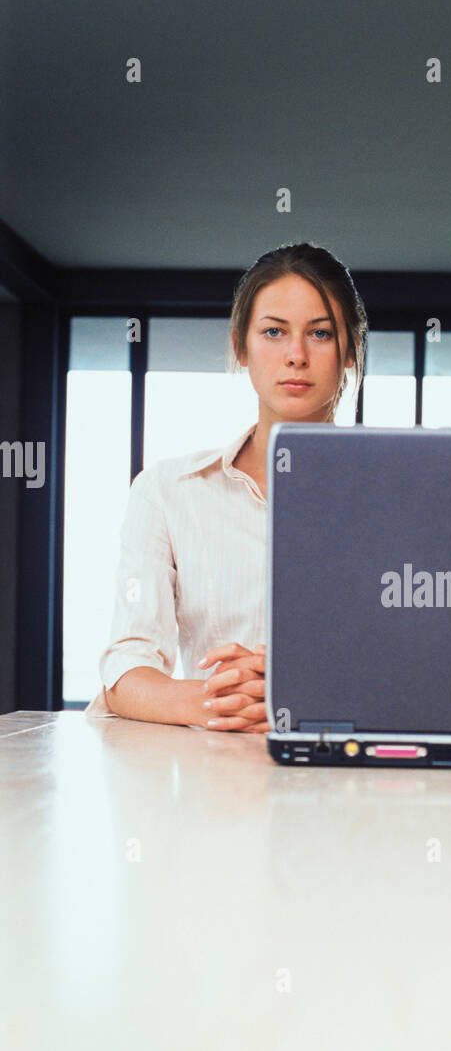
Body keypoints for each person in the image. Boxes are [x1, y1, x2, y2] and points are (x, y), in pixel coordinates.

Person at [85, 242, 368, 732]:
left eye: (320, 334)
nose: (295, 355)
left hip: (351, 776)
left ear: (350, 350)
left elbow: (429, 663)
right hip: (213, 773)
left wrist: (301, 689)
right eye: (274, 331)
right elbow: (125, 668)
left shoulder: (398, 497)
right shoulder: (168, 491)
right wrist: (216, 701)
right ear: (241, 345)